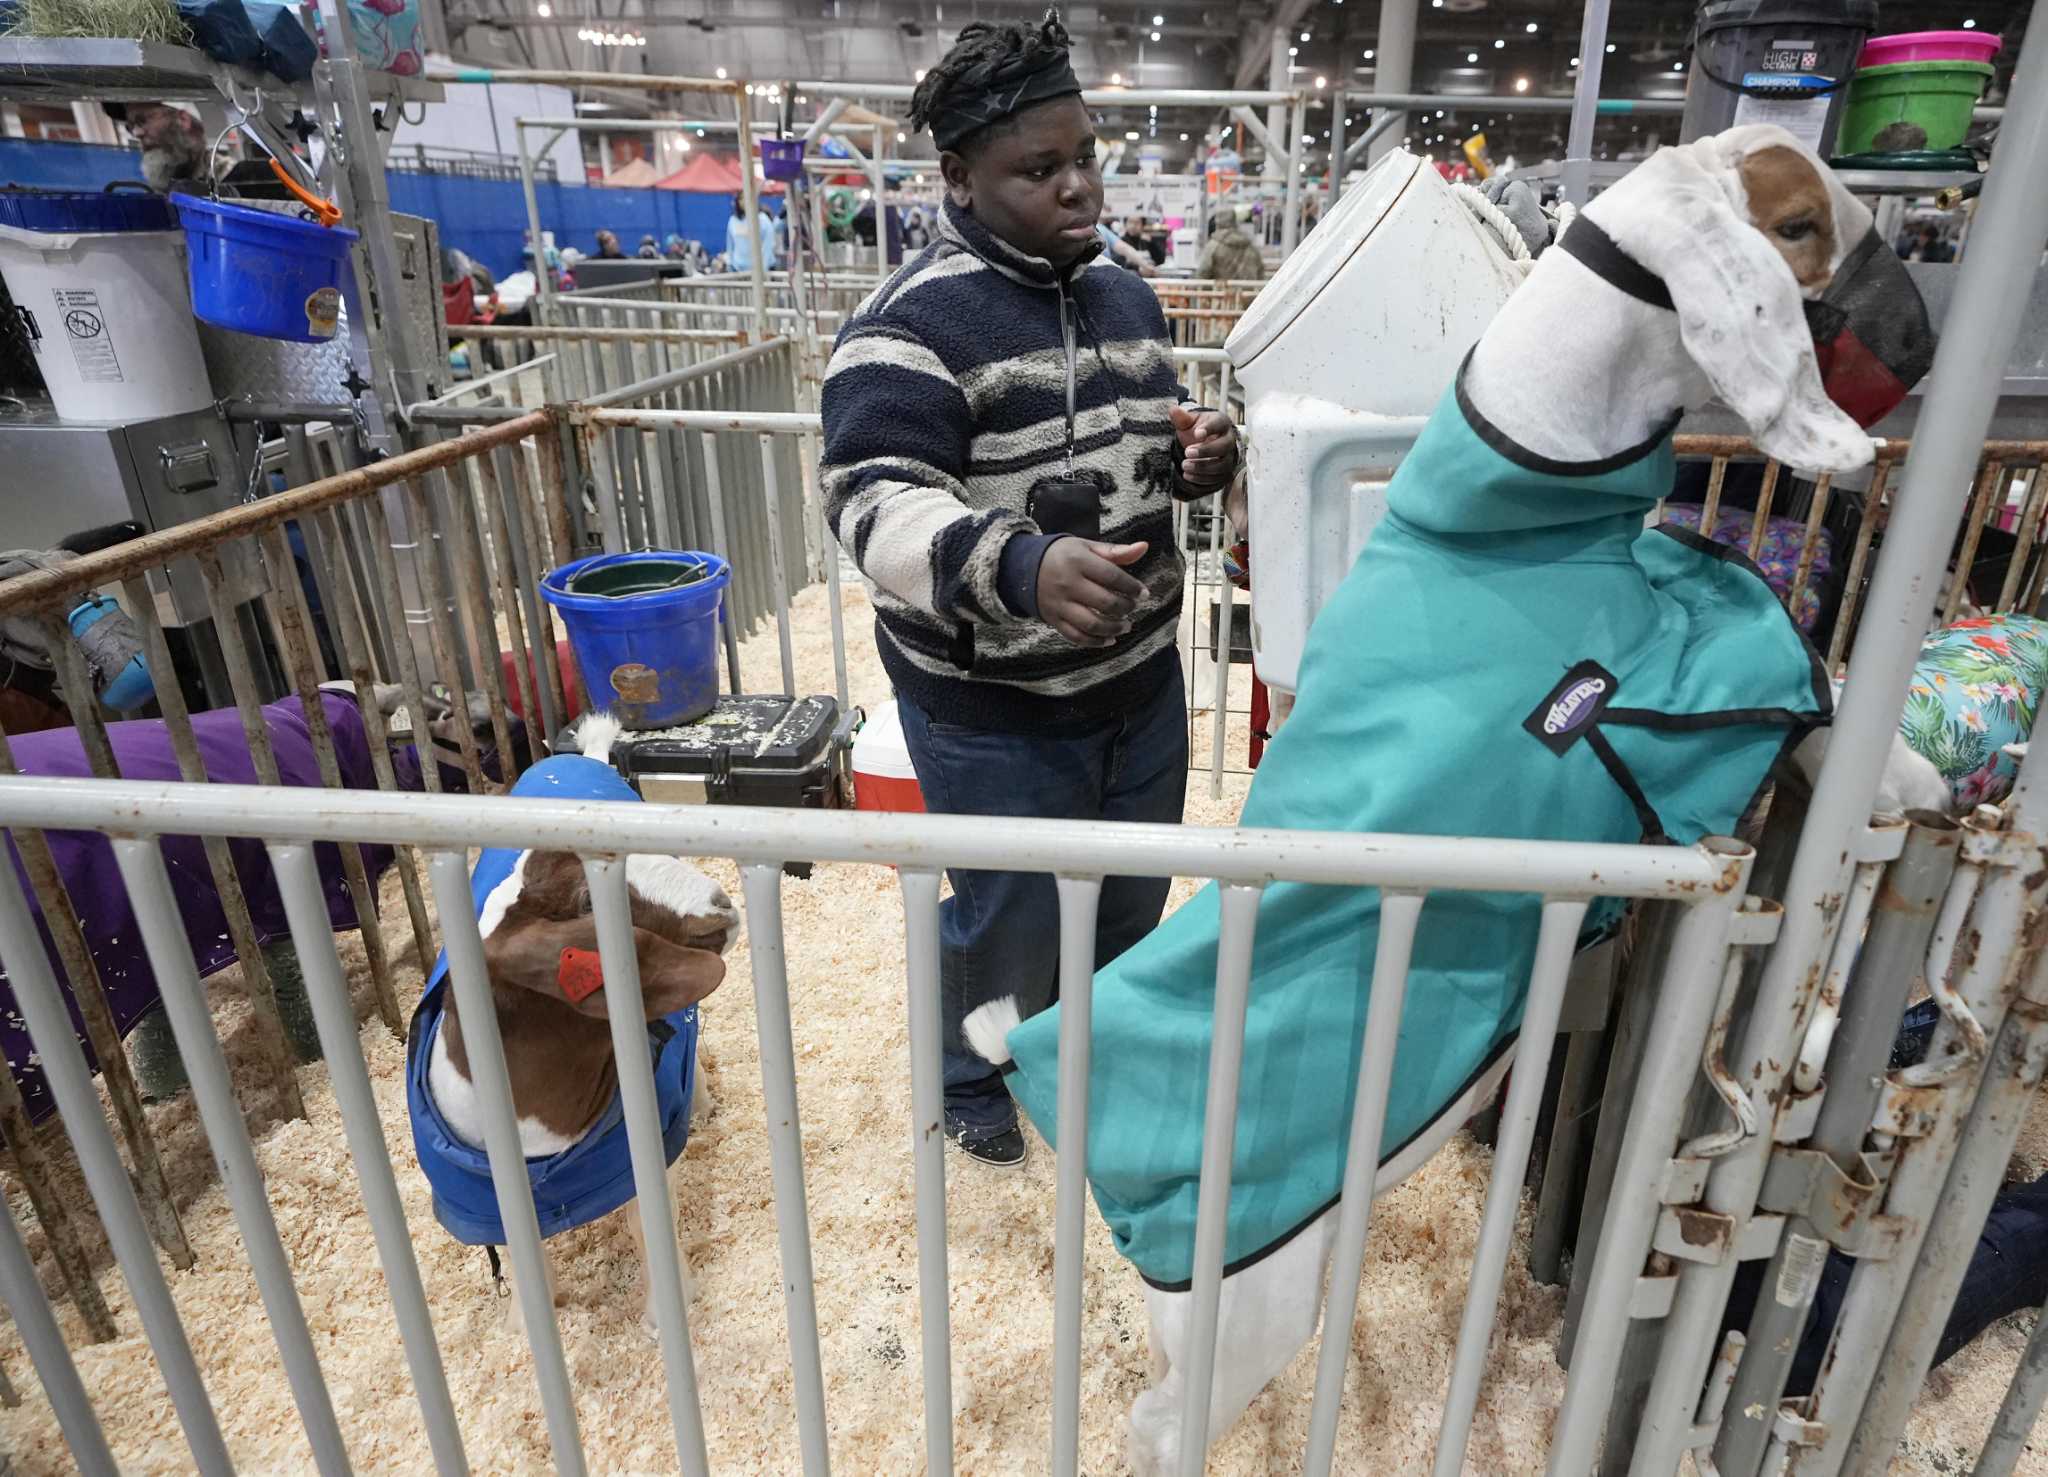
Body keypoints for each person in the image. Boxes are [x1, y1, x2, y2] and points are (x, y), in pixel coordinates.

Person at [819, 12, 1240, 1167]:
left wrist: (1202, 455)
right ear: (957, 176)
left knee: (1120, 904)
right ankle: (974, 1075)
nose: (1078, 191)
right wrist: (1013, 564)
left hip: (1138, 685)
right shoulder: (905, 330)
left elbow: (1150, 439)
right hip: (995, 711)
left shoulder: (1127, 299)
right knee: (1007, 916)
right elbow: (873, 502)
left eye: (1085, 158)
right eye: (1038, 170)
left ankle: (1079, 1056)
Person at [1199, 201, 1265, 284]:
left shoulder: (1213, 246)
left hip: (1222, 294)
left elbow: (1202, 273)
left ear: (1217, 223)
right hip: (1249, 294)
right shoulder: (1250, 246)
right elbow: (1260, 273)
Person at [725, 197, 779, 272]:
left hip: (762, 269)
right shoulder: (733, 220)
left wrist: (763, 268)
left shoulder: (762, 219)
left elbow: (769, 244)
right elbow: (730, 245)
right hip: (739, 269)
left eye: (745, 198)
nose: (743, 202)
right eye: (740, 199)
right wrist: (730, 263)